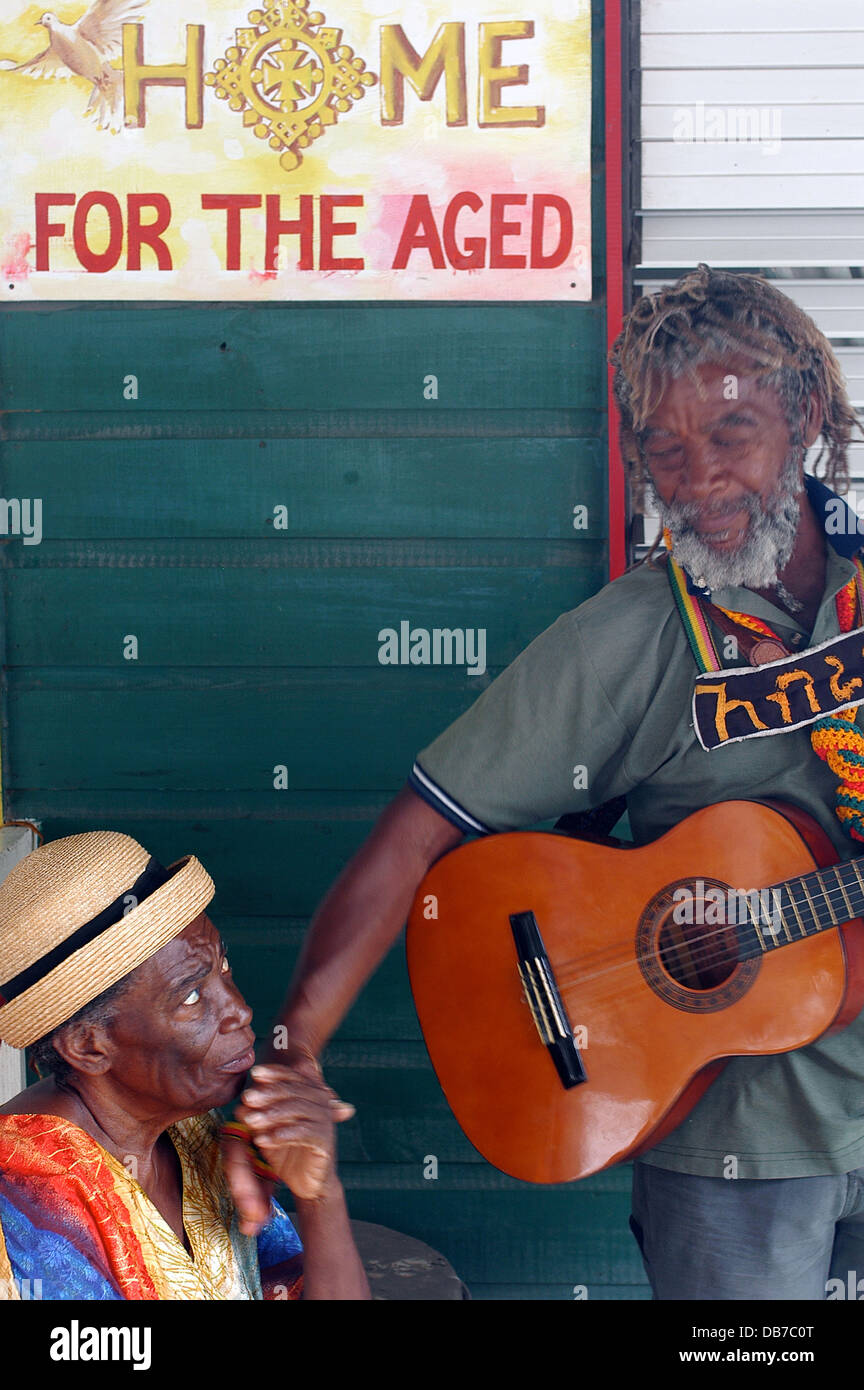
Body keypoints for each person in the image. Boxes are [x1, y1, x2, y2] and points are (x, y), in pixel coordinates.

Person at [223, 264, 864, 1301]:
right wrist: (289, 1055)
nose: (697, 479)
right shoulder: (630, 637)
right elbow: (410, 839)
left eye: (732, 435)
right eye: (664, 447)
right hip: (740, 1155)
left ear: (805, 416)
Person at [0, 830, 369, 1301]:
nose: (239, 1010)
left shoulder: (194, 1136)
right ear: (89, 1046)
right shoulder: (26, 1202)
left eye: (224, 966)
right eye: (192, 996)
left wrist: (320, 1194)